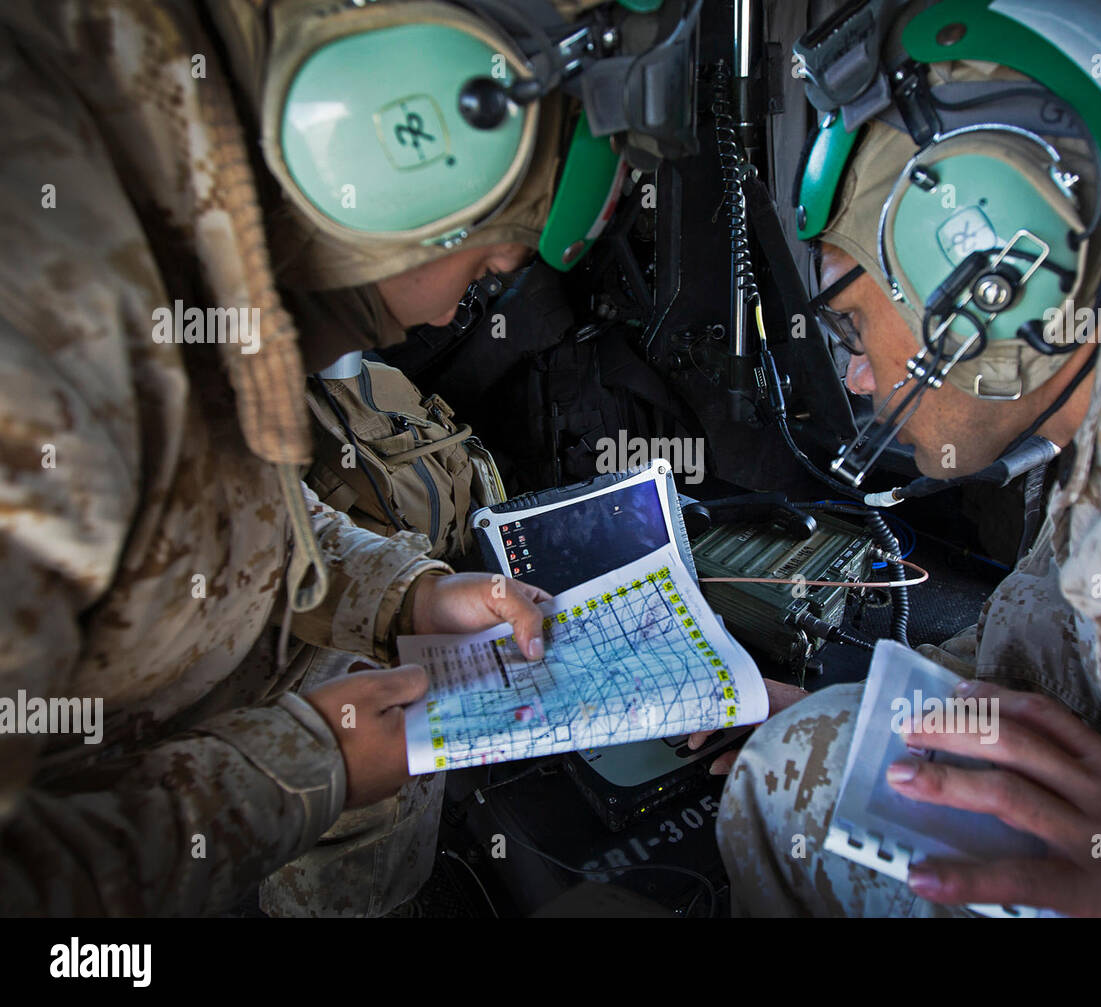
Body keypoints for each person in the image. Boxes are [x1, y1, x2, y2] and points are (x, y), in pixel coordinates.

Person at [0, 0, 686, 915]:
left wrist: (407, 593)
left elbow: (225, 510)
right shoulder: (45, 348)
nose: (453, 318)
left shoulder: (182, 219)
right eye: (482, 272)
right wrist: (299, 765)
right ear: (374, 151)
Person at [712, 0, 1101, 916]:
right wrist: (875, 717)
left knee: (788, 786)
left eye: (852, 320)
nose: (860, 377)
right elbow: (1056, 623)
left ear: (993, 270)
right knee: (810, 760)